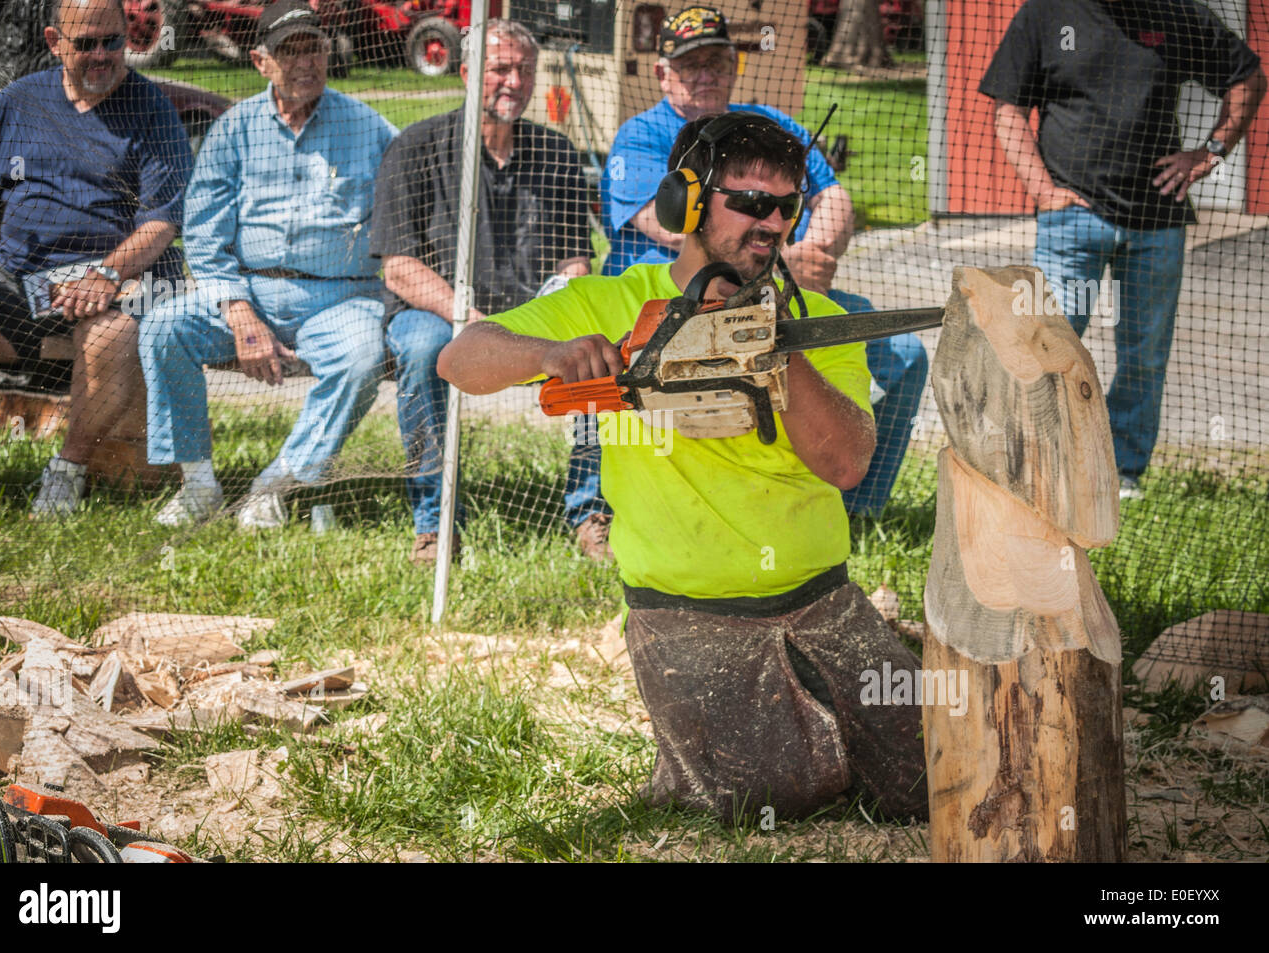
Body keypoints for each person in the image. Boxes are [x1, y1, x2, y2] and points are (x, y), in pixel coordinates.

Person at [438, 113, 928, 821]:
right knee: (766, 796)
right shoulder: (613, 299)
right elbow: (462, 357)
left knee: (937, 765)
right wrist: (549, 355)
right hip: (690, 621)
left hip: (825, 603)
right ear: (687, 202)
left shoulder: (814, 318)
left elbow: (847, 460)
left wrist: (772, 347)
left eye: (785, 206)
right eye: (750, 201)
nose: (770, 222)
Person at [588, 4, 928, 521]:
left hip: (772, 301)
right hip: (664, 312)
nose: (706, 75)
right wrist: (775, 258)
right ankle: (593, 508)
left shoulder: (767, 125)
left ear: (735, 66)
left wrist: (816, 253)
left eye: (718, 62)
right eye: (690, 64)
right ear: (662, 73)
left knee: (902, 352)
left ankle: (854, 510)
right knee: (599, 384)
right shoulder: (643, 135)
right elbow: (665, 224)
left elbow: (832, 197)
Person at [981, 0, 1265, 499]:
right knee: (1050, 348)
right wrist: (1043, 191)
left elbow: (1247, 77)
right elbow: (1007, 107)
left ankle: (1122, 473)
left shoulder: (1177, 14)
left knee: (1145, 356)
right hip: (1071, 222)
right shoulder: (1047, 13)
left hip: (1158, 223)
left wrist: (1211, 152)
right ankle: (1042, 468)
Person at [139, 0, 396, 529]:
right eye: (289, 51)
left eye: (314, 48)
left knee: (363, 354)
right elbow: (205, 235)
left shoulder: (369, 128)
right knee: (163, 325)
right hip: (246, 291)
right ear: (261, 62)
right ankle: (200, 486)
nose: (305, 63)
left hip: (340, 297)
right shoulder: (233, 129)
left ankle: (276, 483)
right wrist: (238, 311)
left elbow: (407, 207)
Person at [371, 19, 592, 563]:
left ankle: (594, 511)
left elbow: (576, 258)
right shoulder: (416, 146)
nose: (513, 81)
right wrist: (465, 316)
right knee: (423, 350)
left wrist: (563, 298)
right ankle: (436, 521)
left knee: (599, 343)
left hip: (535, 314)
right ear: (468, 73)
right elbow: (398, 268)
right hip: (440, 314)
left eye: (523, 70)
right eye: (499, 68)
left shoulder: (557, 153)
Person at [0, 0, 190, 515]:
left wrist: (108, 272)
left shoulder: (152, 109)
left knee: (113, 331)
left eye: (112, 42)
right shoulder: (19, 102)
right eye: (85, 43)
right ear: (53, 42)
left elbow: (163, 220)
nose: (101, 55)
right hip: (22, 279)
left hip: (126, 277)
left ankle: (67, 471)